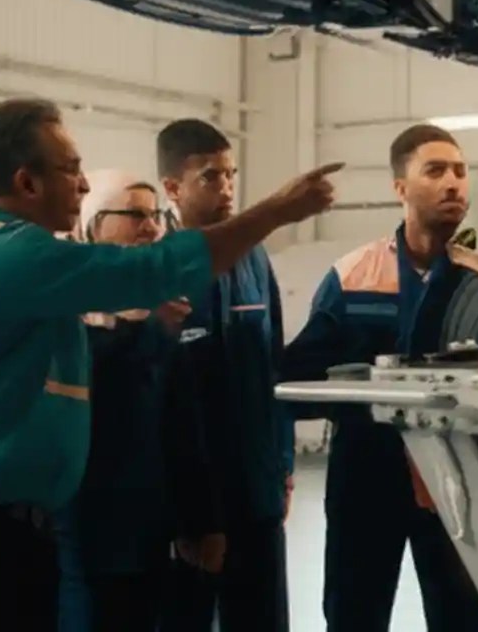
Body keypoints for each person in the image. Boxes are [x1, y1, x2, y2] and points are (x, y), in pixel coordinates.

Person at [0, 98, 340, 632]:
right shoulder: (2, 254)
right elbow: (153, 270)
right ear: (27, 182)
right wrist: (276, 211)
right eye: (71, 170)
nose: (81, 184)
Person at [282, 123, 478, 631]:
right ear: (400, 188)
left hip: (457, 478)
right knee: (354, 613)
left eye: (459, 171)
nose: (453, 182)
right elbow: (299, 377)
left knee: (465, 618)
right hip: (366, 476)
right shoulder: (353, 276)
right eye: (435, 170)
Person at [156, 120, 299, 632]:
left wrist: (283, 463)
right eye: (210, 177)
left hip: (256, 486)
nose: (227, 188)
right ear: (173, 188)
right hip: (192, 496)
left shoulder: (252, 257)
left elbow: (274, 366)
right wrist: (186, 517)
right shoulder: (158, 265)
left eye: (231, 175)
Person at [53, 170, 195, 632]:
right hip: (80, 517)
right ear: (94, 224)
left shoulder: (164, 303)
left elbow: (179, 417)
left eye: (155, 216)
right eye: (135, 215)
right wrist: (143, 327)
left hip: (147, 517)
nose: (150, 227)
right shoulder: (67, 303)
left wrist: (197, 516)